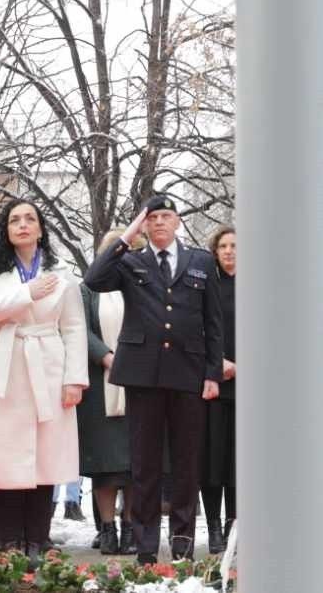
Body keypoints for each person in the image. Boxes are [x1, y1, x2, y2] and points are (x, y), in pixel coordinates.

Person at [84, 193, 223, 564]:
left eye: (165, 216)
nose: (159, 222)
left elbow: (213, 321)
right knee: (144, 464)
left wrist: (212, 373)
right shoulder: (130, 261)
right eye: (152, 218)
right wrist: (126, 236)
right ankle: (145, 546)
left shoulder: (201, 261)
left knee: (185, 463)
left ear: (177, 222)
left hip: (188, 372)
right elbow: (94, 279)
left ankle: (182, 543)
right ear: (144, 225)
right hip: (143, 374)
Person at [0, 200, 88, 556]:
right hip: (4, 363)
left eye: (29, 218)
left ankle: (38, 537)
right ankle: (6, 537)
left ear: (40, 228)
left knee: (46, 454)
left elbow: (74, 327)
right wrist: (27, 293)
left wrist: (74, 379)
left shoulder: (60, 272)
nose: (22, 225)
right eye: (14, 219)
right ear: (5, 230)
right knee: (1, 454)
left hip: (48, 364)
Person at [77, 228, 135, 556]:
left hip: (138, 383)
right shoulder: (87, 289)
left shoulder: (141, 284)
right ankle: (107, 529)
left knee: (134, 465)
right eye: (113, 250)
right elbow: (79, 328)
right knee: (106, 465)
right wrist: (106, 356)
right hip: (100, 384)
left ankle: (130, 528)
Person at [200, 225, 237, 554]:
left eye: (234, 246)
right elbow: (195, 330)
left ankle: (234, 526)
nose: (229, 251)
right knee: (212, 462)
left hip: (247, 389)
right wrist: (216, 361)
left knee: (239, 463)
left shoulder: (257, 288)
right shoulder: (206, 286)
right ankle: (213, 526)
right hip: (213, 385)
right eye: (223, 246)